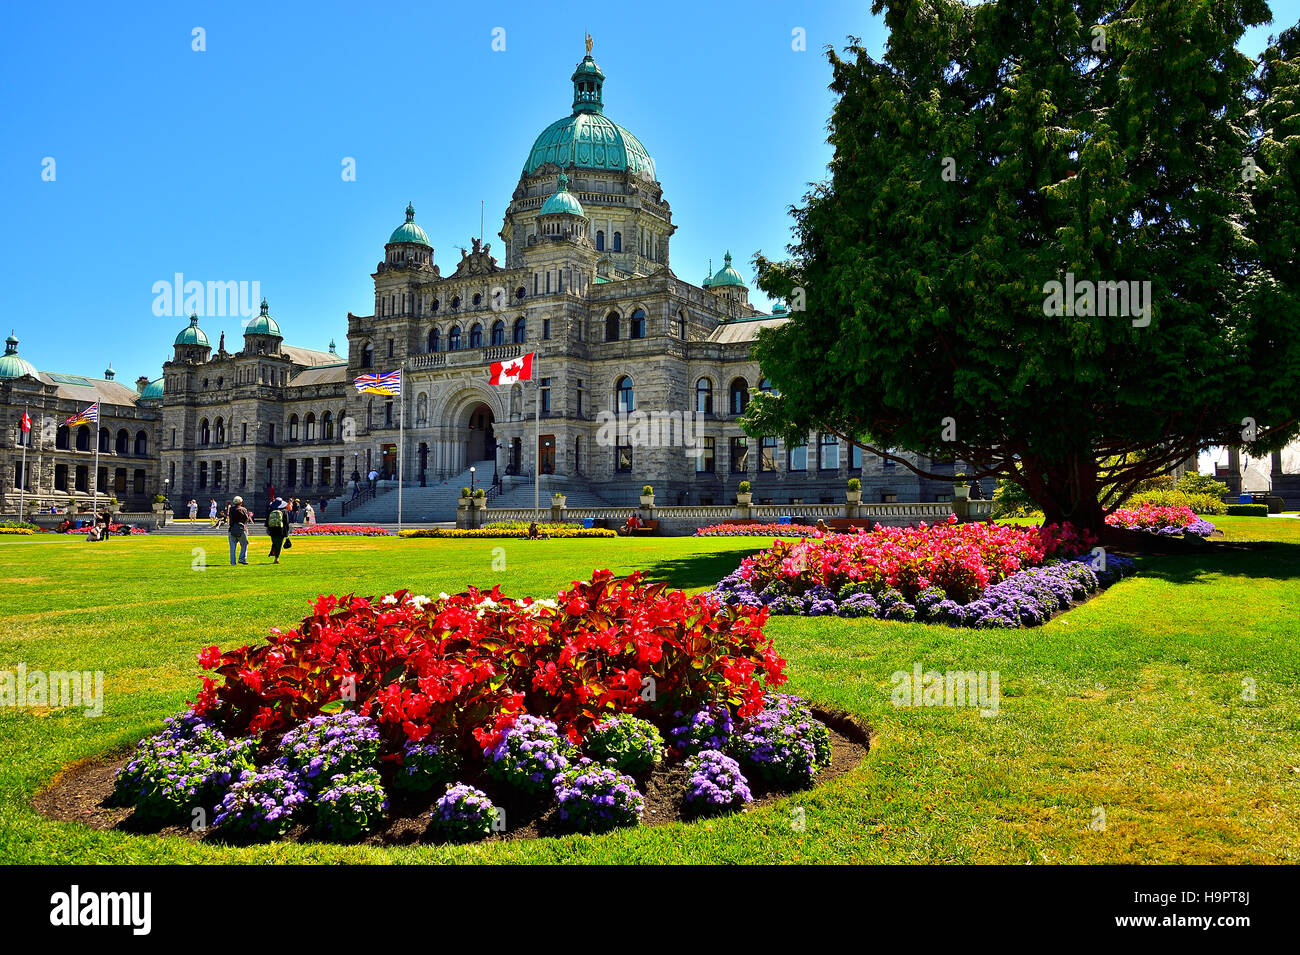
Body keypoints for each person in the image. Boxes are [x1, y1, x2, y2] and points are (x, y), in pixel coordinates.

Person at [227, 495, 251, 566]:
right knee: (244, 544)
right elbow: (246, 519)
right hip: (241, 529)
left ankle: (232, 562)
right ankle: (242, 559)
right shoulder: (243, 509)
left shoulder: (231, 509)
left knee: (232, 547)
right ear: (241, 502)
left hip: (232, 529)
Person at [266, 497, 290, 564]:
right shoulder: (284, 511)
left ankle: (273, 553)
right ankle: (276, 558)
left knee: (274, 542)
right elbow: (286, 522)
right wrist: (287, 531)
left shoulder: (270, 510)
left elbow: (267, 520)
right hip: (281, 530)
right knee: (279, 544)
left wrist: (268, 528)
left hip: (272, 530)